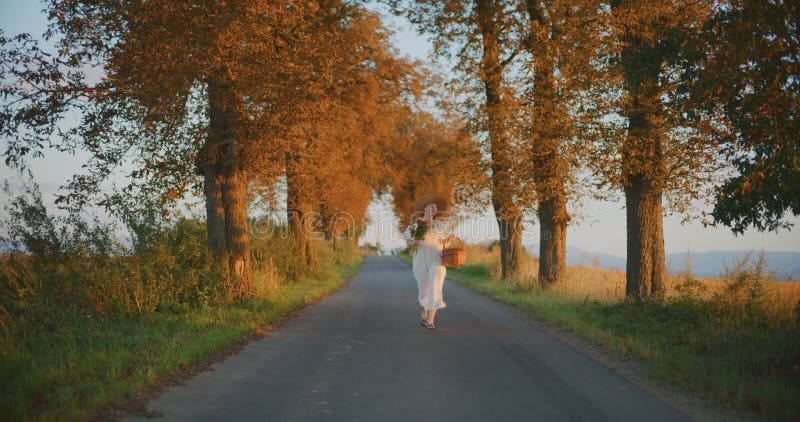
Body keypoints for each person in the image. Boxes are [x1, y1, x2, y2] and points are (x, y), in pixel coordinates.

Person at [403, 193, 456, 330]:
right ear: (425, 208)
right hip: (420, 257)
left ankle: (431, 320)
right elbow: (408, 241)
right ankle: (423, 312)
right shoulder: (416, 224)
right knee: (423, 289)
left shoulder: (440, 225)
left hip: (436, 257)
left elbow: (443, 245)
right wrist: (412, 242)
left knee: (436, 287)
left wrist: (448, 241)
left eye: (435, 207)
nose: (434, 208)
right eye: (431, 206)